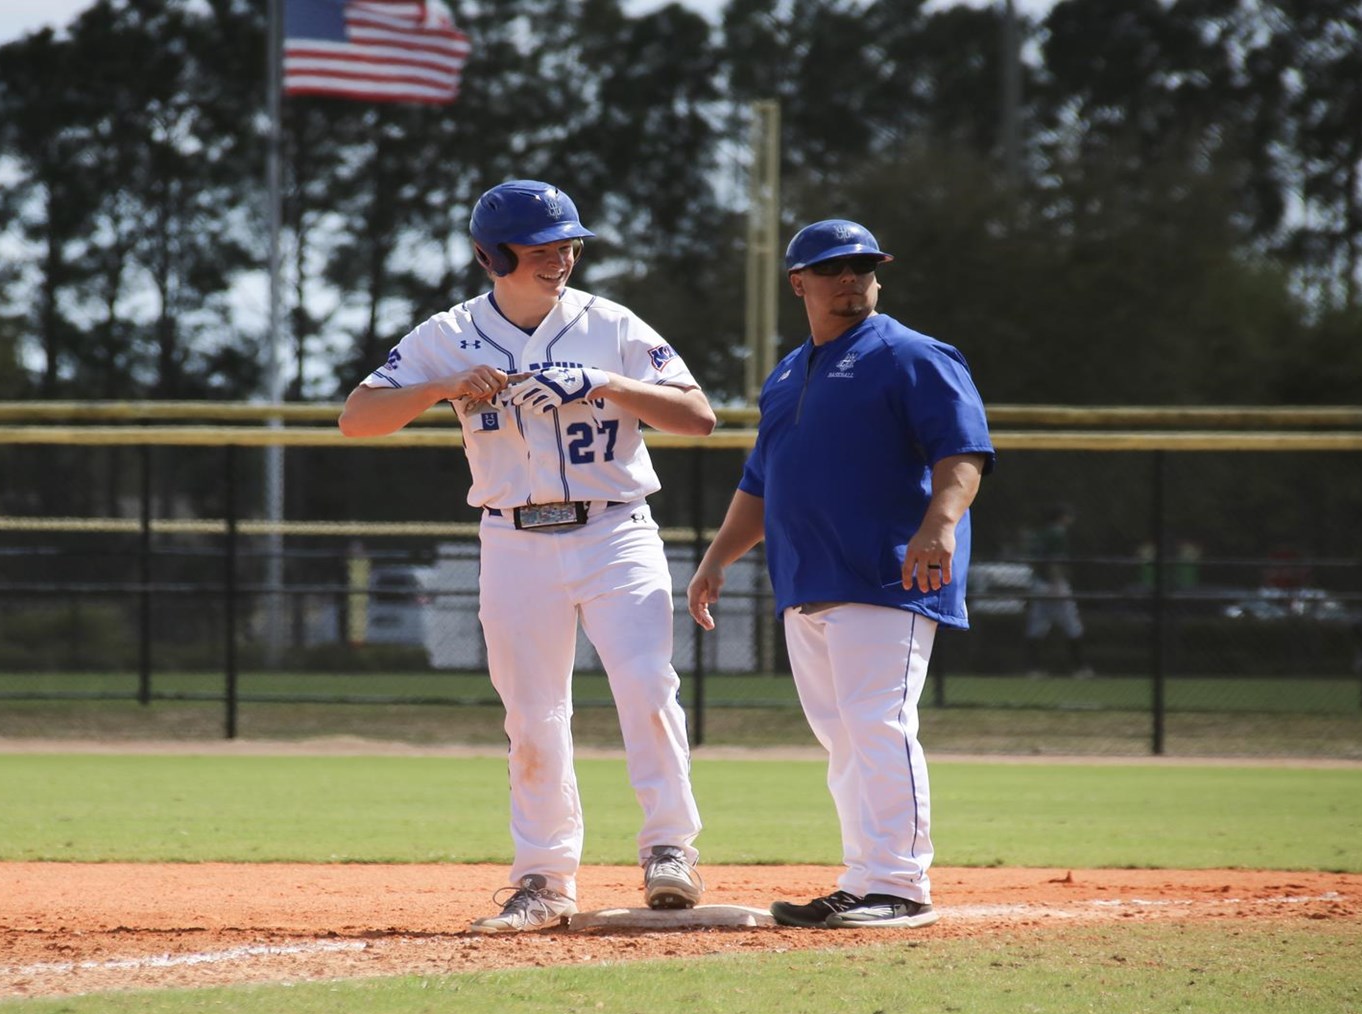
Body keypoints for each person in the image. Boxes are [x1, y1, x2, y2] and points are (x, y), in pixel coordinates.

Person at [339, 180, 716, 933]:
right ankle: (544, 879)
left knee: (647, 686)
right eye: (541, 247)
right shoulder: (449, 334)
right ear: (493, 255)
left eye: (568, 244)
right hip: (513, 538)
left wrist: (608, 383)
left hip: (615, 529)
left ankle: (669, 849)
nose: (561, 258)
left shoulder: (609, 324)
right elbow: (357, 418)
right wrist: (443, 387)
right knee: (532, 713)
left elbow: (698, 416)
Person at [686, 219, 992, 930]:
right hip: (807, 580)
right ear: (799, 283)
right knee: (843, 738)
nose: (850, 278)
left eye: (863, 266)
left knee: (877, 725)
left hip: (888, 572)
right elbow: (761, 482)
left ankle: (902, 885)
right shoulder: (787, 374)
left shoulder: (912, 354)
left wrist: (940, 525)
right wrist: (717, 557)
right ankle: (864, 879)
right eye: (832, 268)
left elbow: (962, 450)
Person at [1024, 503, 1091, 678]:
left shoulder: (1041, 534)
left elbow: (1034, 560)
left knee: (1036, 626)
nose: (1071, 519)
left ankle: (1033, 669)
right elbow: (1055, 561)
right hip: (1055, 584)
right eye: (1068, 515)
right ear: (1061, 517)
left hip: (1039, 583)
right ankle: (1080, 668)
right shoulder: (1057, 534)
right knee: (1072, 625)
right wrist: (1056, 583)